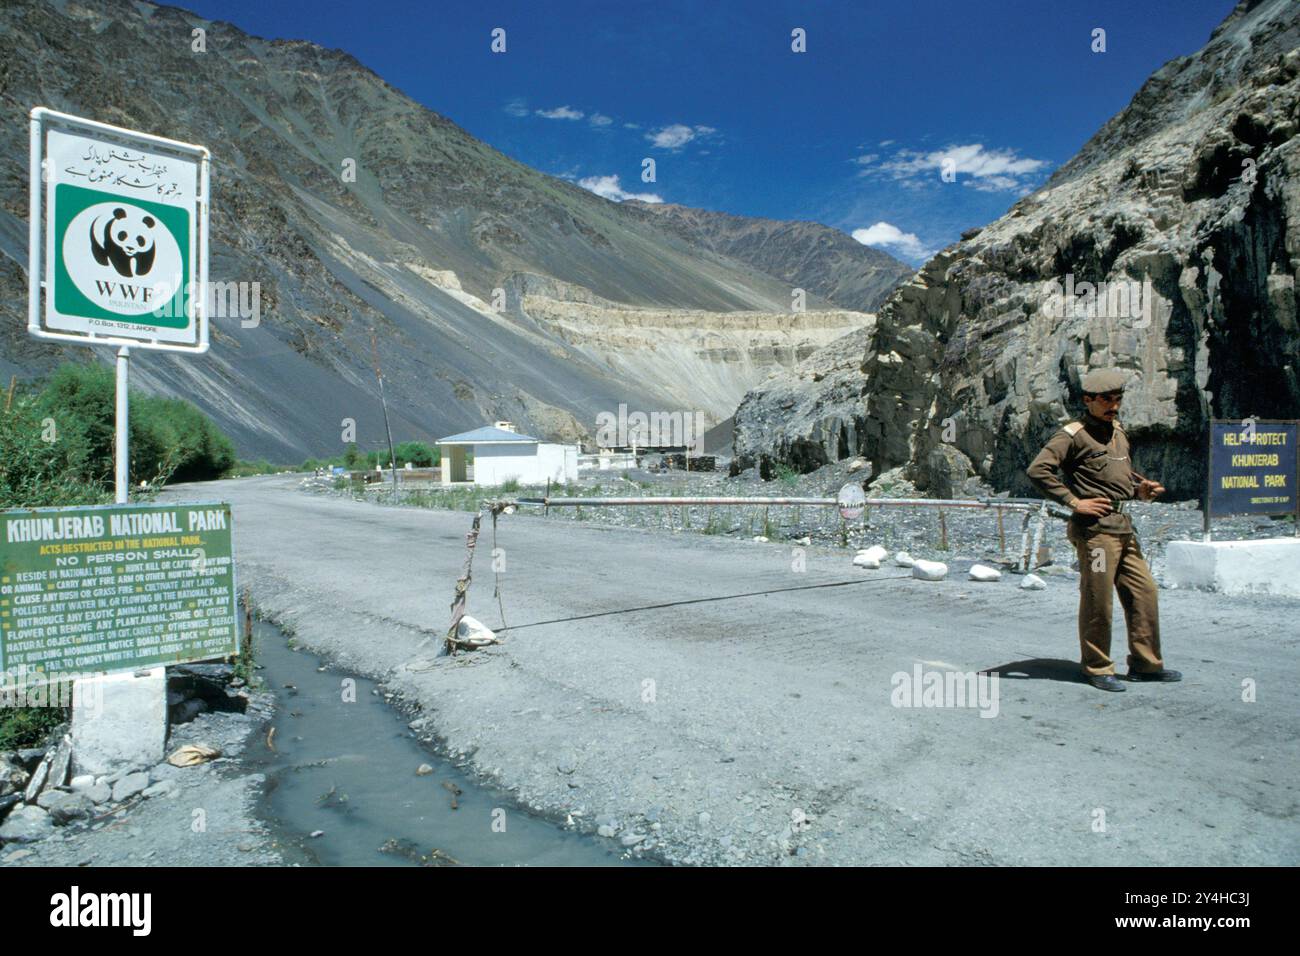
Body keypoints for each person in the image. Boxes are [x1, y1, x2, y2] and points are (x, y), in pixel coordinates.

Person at [1025, 369, 1183, 692]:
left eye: (1118, 399)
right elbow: (1038, 469)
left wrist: (1140, 490)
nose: (1114, 405)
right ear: (1088, 400)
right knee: (1099, 598)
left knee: (1145, 592)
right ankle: (1096, 666)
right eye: (1107, 399)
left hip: (1123, 528)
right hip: (1095, 533)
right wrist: (1073, 501)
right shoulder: (1073, 434)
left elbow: (1116, 472)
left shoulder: (1118, 431)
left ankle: (1145, 664)